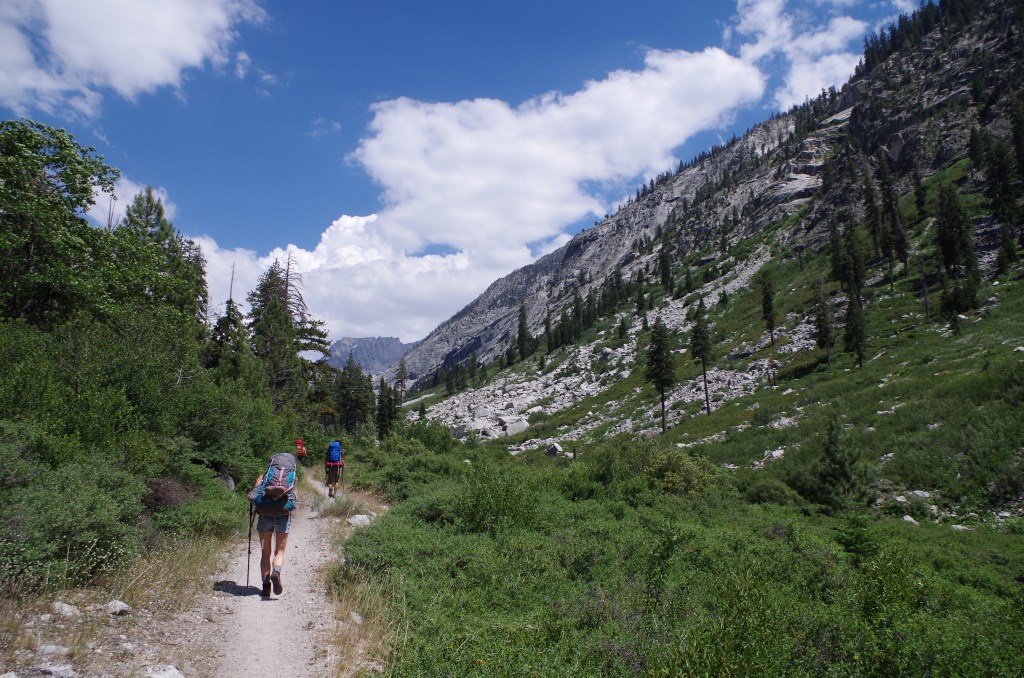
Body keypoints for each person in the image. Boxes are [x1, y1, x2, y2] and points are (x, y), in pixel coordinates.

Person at [248, 452, 297, 598]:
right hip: (282, 514)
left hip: (265, 515)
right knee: (279, 552)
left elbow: (254, 494)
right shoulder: (292, 478)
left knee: (265, 553)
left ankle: (266, 587)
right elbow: (295, 499)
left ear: (271, 465)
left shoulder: (265, 477)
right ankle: (276, 572)